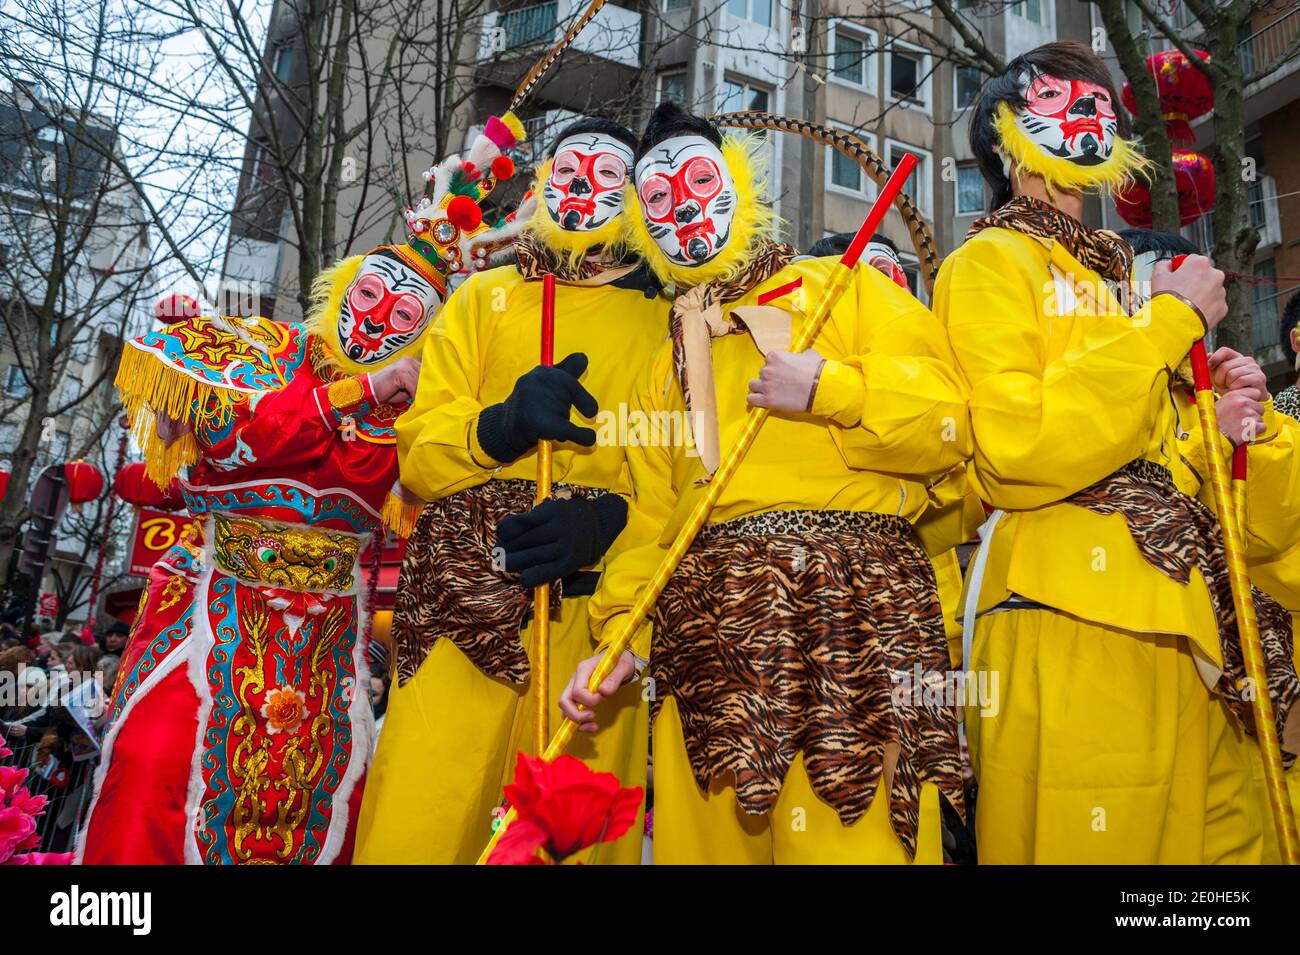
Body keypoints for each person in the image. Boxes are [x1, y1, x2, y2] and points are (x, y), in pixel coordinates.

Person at [75, 113, 531, 865]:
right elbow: (238, 434)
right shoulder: (269, 348)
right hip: (212, 606)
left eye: (406, 315)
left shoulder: (417, 413)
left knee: (334, 793)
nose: (378, 314)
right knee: (156, 764)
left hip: (328, 630)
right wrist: (357, 392)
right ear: (349, 283)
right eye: (375, 291)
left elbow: (439, 477)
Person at [560, 102, 970, 864]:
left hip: (851, 616)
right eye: (656, 197)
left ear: (740, 184)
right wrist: (618, 636)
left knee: (855, 845)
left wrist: (833, 389)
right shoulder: (667, 361)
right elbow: (655, 523)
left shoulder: (839, 286)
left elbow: (950, 420)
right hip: (706, 635)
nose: (680, 204)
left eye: (697, 178)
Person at [937, 41, 1300, 864]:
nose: (1089, 115)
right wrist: (1168, 326)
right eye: (1061, 99)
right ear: (1004, 138)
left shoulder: (1116, 291)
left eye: (1101, 102)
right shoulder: (990, 263)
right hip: (1070, 615)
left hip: (1192, 627)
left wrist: (1223, 417)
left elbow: (1169, 459)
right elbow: (1017, 447)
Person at [354, 117, 666, 865]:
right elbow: (420, 453)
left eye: (606, 174)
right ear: (540, 183)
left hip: (593, 629)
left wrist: (607, 522)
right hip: (462, 608)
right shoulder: (484, 298)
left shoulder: (667, 320)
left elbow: (679, 484)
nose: (584, 187)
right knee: (423, 823)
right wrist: (498, 428)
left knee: (569, 834)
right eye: (569, 168)